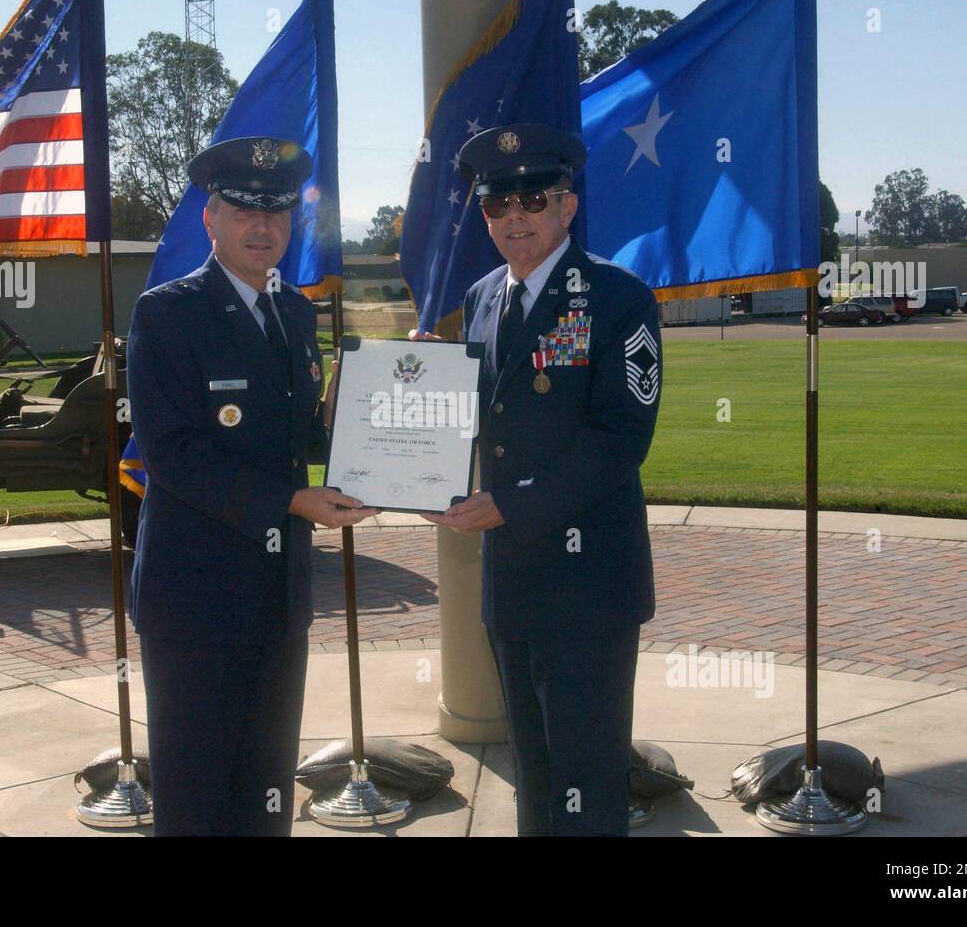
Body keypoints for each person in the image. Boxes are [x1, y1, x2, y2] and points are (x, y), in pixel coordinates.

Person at [126, 136, 375, 836]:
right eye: (244, 209)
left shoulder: (294, 314)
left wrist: (379, 424)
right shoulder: (167, 315)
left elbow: (298, 441)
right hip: (196, 601)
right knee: (199, 795)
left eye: (278, 210)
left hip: (276, 595)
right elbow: (172, 455)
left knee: (265, 793)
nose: (263, 225)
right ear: (211, 217)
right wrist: (293, 500)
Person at [419, 123, 662, 836]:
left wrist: (512, 506)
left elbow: (621, 438)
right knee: (536, 777)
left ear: (567, 206)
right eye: (497, 205)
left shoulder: (618, 299)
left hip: (589, 589)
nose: (514, 218)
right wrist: (415, 378)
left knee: (587, 781)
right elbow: (476, 412)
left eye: (532, 199)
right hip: (513, 584)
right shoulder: (485, 296)